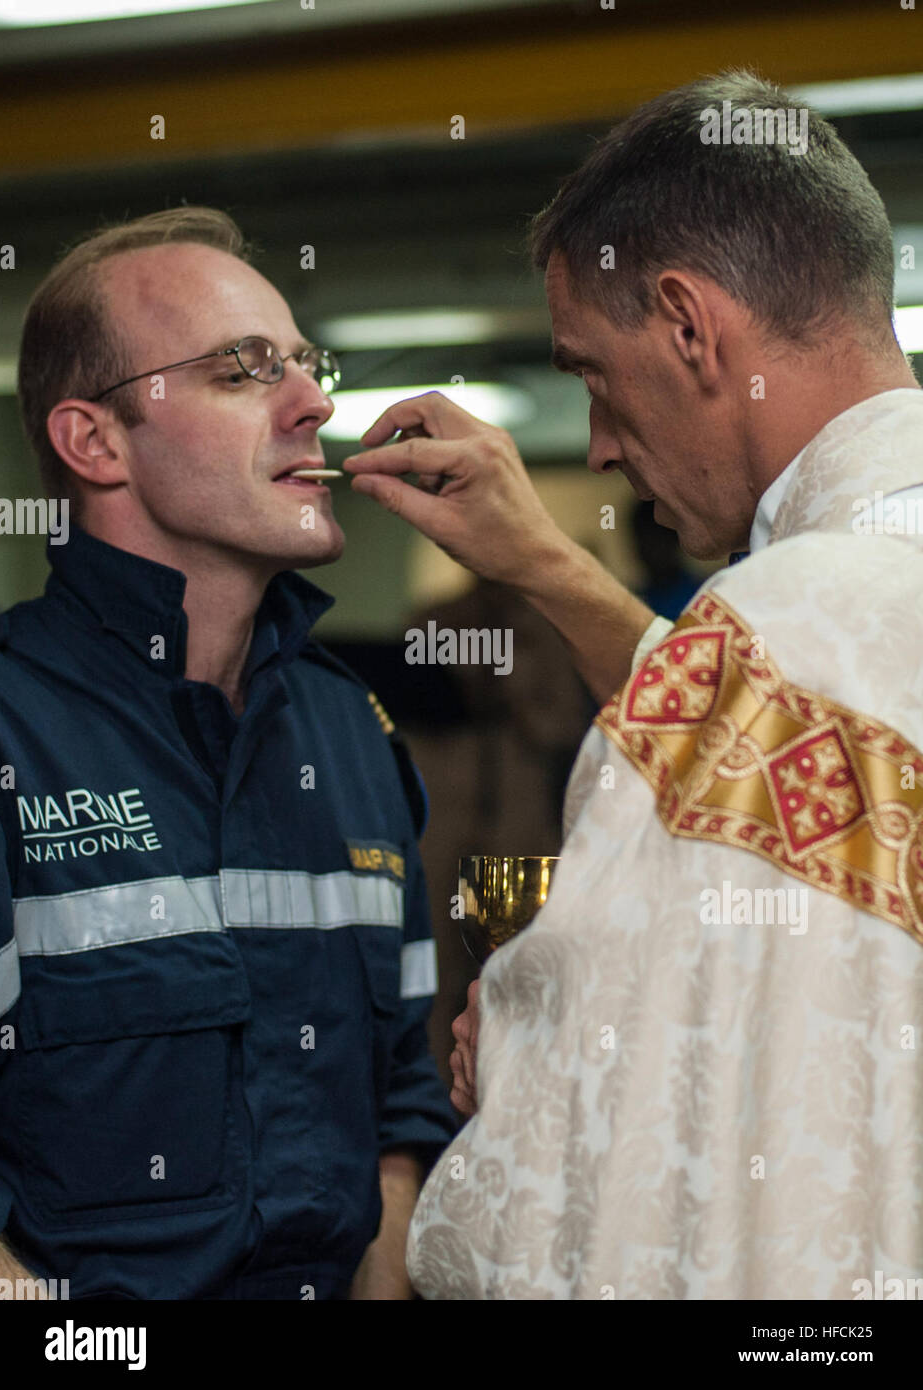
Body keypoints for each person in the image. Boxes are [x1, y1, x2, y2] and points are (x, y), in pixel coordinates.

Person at [342, 70, 923, 1298]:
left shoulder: (760, 636)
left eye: (592, 374)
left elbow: (579, 1184)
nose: (598, 442)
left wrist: (529, 1042)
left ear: (688, 324)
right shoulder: (830, 617)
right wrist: (549, 566)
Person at [0, 207, 455, 1300]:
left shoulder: (350, 728)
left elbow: (398, 1107)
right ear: (95, 442)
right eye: (245, 370)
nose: (315, 404)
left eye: (307, 363)